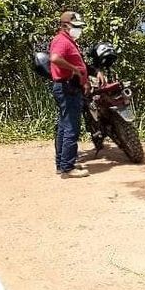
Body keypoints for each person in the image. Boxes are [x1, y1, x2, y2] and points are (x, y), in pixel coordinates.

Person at [49, 11, 92, 179]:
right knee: (71, 128)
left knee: (63, 126)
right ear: (65, 25)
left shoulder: (69, 41)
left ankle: (62, 163)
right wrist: (74, 69)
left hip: (68, 87)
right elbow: (55, 58)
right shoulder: (61, 40)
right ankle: (67, 168)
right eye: (76, 27)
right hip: (67, 88)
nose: (78, 30)